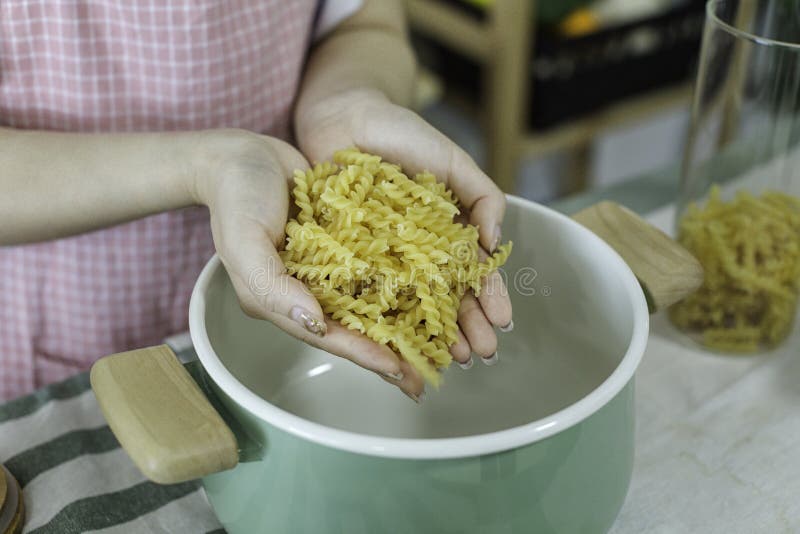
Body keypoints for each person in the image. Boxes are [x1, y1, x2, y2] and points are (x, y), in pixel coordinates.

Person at [0, 0, 512, 403]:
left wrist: (349, 101)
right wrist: (203, 166)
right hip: (62, 338)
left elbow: (363, 23)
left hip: (288, 279)